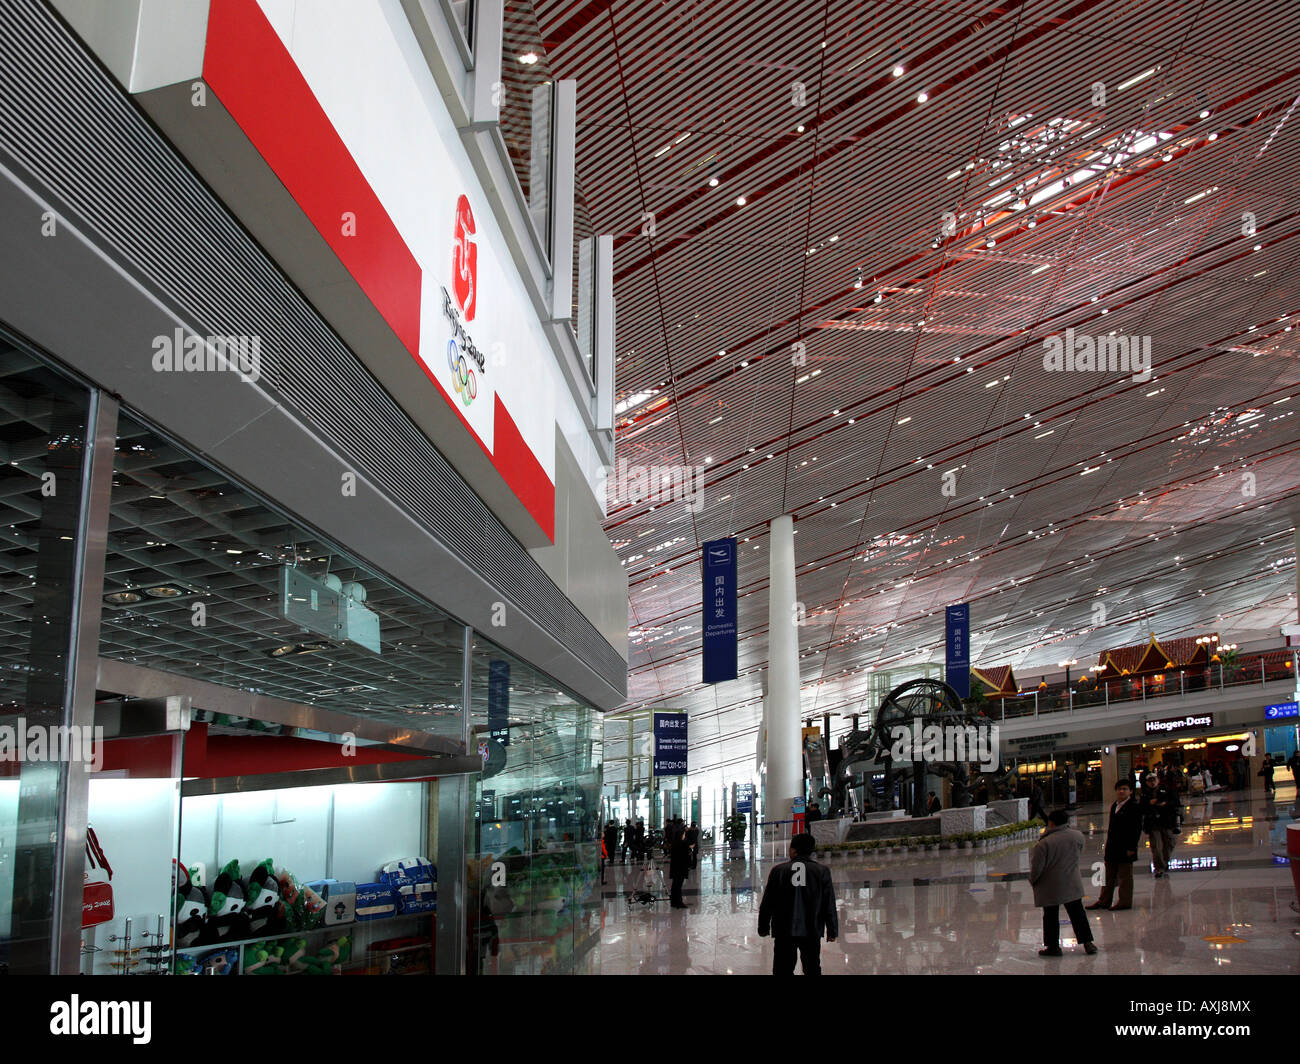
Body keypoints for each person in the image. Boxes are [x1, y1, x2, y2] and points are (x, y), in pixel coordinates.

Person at [757, 832, 839, 975]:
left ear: (793, 850)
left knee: (782, 968)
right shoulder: (822, 871)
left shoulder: (778, 871)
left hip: (784, 929)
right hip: (812, 927)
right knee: (812, 967)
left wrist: (763, 927)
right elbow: (829, 903)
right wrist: (832, 930)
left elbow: (767, 903)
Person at [1030, 809, 1097, 956]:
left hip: (1050, 885)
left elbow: (1037, 867)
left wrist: (1033, 880)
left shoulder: (1044, 843)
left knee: (1050, 916)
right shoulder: (1078, 836)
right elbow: (1080, 854)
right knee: (1078, 913)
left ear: (1051, 823)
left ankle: (1053, 947)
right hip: (1072, 881)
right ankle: (1088, 943)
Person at [1087, 780, 1141, 911]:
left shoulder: (1134, 806)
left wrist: (1131, 848)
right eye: (1119, 789)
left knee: (1125, 877)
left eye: (1124, 789)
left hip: (1126, 848)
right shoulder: (1114, 806)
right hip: (1113, 847)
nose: (1121, 791)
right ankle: (1104, 900)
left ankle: (1124, 901)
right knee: (1107, 876)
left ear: (1130, 791)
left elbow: (1136, 829)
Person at [1139, 772, 1177, 876]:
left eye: (1154, 780)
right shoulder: (1144, 794)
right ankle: (1159, 867)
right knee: (1156, 846)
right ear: (1146, 782)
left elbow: (1175, 802)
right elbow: (1141, 808)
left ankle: (1164, 862)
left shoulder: (1166, 790)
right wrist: (1149, 804)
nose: (1152, 782)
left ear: (1158, 780)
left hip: (1166, 821)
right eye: (1150, 780)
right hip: (1153, 823)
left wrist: (1165, 804)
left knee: (1170, 842)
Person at [668, 826, 692, 908]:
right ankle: (678, 902)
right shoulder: (682, 843)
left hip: (676, 868)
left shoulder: (675, 843)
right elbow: (686, 853)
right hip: (681, 867)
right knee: (678, 885)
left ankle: (674, 902)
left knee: (675, 885)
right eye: (684, 834)